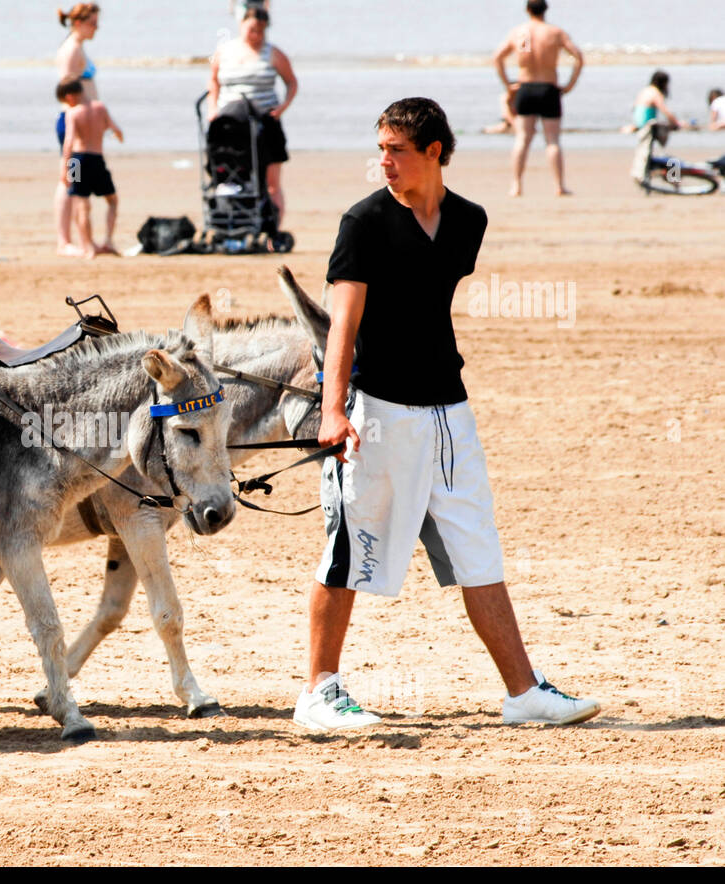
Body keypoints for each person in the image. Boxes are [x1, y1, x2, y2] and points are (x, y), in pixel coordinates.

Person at [294, 97, 600, 733]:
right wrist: (332, 408)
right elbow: (341, 328)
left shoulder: (468, 221)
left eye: (397, 150)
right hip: (376, 410)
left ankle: (523, 692)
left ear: (434, 152)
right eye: (380, 148)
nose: (385, 161)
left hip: (449, 411)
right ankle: (320, 691)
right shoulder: (364, 223)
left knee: (477, 547)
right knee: (352, 548)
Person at [207, 4, 297, 228]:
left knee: (271, 182)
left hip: (266, 123)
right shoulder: (225, 51)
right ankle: (233, 224)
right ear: (241, 24)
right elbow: (213, 81)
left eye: (261, 30)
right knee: (231, 177)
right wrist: (212, 109)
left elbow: (291, 82)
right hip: (230, 127)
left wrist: (284, 106)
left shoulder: (273, 53)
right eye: (252, 29)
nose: (256, 35)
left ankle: (273, 231)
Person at [493, 0, 583, 196]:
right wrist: (570, 84)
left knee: (522, 138)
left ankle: (516, 185)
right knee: (552, 140)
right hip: (548, 88)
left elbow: (498, 57)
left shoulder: (518, 32)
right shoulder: (555, 32)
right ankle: (559, 186)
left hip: (525, 87)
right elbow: (578, 56)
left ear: (527, 10)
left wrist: (508, 84)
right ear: (546, 10)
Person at [54, 3, 106, 256]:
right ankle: (64, 241)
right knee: (69, 177)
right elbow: (66, 91)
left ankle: (81, 238)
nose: (96, 28)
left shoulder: (78, 48)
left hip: (84, 121)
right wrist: (80, 119)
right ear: (78, 23)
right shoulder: (71, 50)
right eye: (93, 23)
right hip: (74, 122)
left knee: (78, 180)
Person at [57, 75, 123, 258]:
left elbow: (68, 142)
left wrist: (65, 169)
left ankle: (88, 247)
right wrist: (118, 137)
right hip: (96, 158)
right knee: (112, 201)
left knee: (81, 204)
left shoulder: (73, 113)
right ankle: (108, 240)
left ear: (70, 96)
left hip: (76, 160)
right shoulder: (100, 108)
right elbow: (117, 130)